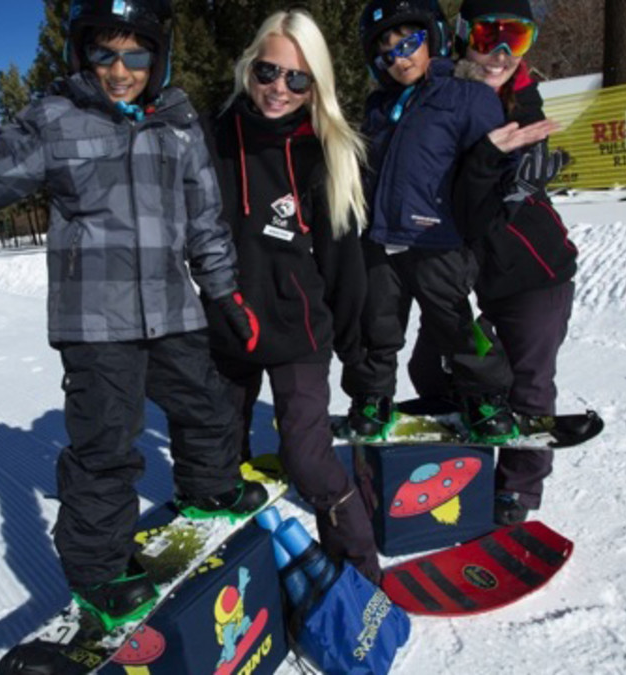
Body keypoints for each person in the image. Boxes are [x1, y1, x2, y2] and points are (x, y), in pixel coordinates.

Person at [0, 0, 268, 626]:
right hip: (96, 320)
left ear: (158, 58)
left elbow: (204, 221)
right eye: (105, 53)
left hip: (173, 307)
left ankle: (209, 487)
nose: (120, 69)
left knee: (205, 405)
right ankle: (100, 571)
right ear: (83, 54)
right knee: (106, 446)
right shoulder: (56, 120)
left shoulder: (179, 123)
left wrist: (224, 293)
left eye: (136, 54)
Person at [204, 9, 380, 583]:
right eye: (268, 71)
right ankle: (238, 585)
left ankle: (359, 572)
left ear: (315, 86)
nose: (279, 88)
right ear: (249, 67)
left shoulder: (323, 152)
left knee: (308, 461)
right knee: (215, 464)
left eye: (297, 79)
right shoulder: (213, 136)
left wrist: (358, 354)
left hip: (297, 333)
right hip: (227, 325)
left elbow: (345, 267)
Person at [408, 0, 577, 525]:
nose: (500, 53)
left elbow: (501, 178)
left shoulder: (524, 102)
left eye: (517, 39)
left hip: (533, 271)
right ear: (464, 36)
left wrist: (526, 173)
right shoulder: (440, 93)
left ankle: (518, 492)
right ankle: (461, 452)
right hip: (462, 267)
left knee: (529, 383)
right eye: (488, 36)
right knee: (429, 367)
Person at [344, 0, 518, 444]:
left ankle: (486, 398)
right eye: (386, 51)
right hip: (382, 239)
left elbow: (492, 159)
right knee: (376, 329)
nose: (399, 57)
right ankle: (371, 398)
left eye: (409, 42)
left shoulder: (467, 96)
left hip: (438, 238)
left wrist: (515, 173)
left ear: (433, 37)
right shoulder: (379, 105)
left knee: (457, 324)